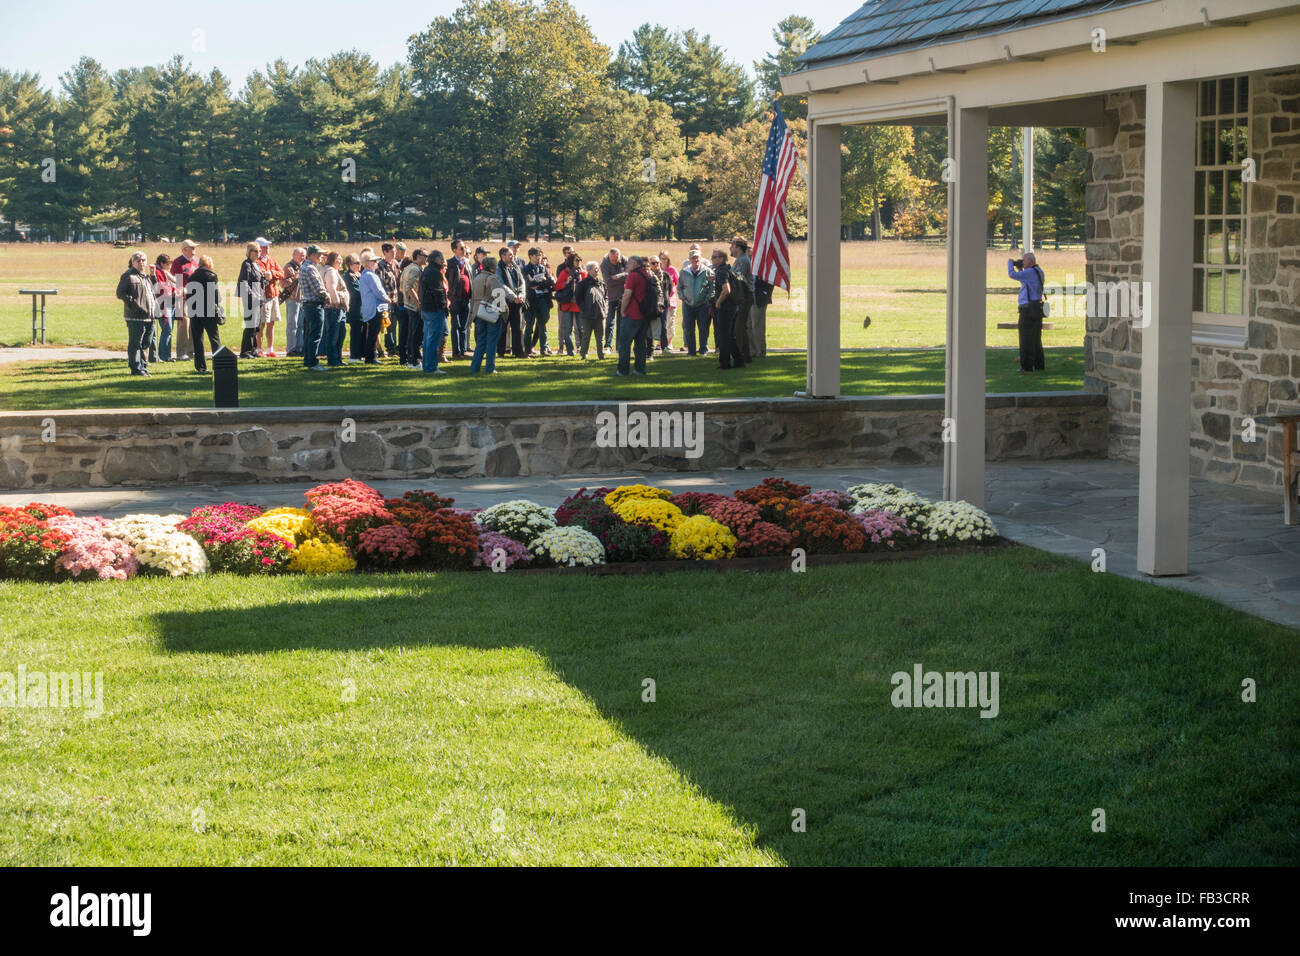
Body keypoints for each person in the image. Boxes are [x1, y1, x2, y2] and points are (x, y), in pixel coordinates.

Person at [115, 251, 157, 377]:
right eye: (138, 260)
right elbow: (120, 293)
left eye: (143, 260)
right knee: (135, 343)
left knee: (146, 343)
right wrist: (132, 302)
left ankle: (143, 366)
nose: (141, 262)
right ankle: (136, 368)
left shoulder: (146, 276)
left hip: (149, 316)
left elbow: (152, 291)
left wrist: (153, 276)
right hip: (135, 316)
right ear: (132, 262)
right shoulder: (128, 276)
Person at [1008, 252, 1046, 374]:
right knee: (1035, 338)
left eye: (1023, 261)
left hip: (1027, 310)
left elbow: (1012, 274)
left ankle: (1026, 367)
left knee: (1025, 339)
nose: (1022, 262)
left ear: (1030, 261)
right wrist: (1020, 268)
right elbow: (1026, 283)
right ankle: (1039, 364)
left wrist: (1010, 263)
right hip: (1037, 309)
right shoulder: (1038, 271)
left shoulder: (1029, 272)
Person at [185, 255, 224, 374]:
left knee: (197, 339)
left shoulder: (192, 277)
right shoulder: (211, 276)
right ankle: (218, 364)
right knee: (214, 338)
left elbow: (188, 296)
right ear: (209, 264)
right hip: (208, 310)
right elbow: (215, 295)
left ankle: (200, 366)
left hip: (195, 311)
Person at [616, 255, 654, 376]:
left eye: (629, 263)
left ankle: (622, 371)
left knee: (624, 345)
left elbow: (627, 295)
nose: (626, 265)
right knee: (641, 345)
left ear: (636, 264)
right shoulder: (647, 274)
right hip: (644, 315)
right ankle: (640, 369)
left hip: (632, 315)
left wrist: (622, 311)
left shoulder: (633, 276)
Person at [469, 255, 505, 374]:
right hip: (491, 312)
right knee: (492, 342)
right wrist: (505, 312)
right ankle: (490, 368)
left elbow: (473, 297)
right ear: (493, 267)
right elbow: (499, 297)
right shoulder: (492, 278)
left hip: (478, 312)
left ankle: (475, 367)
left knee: (481, 341)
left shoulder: (476, 278)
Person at [710, 248, 744, 370]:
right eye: (712, 257)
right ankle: (739, 360)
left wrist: (718, 302)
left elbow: (726, 290)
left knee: (724, 336)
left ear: (722, 259)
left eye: (715, 257)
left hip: (725, 308)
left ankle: (725, 363)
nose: (712, 259)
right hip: (733, 307)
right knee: (729, 336)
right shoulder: (727, 269)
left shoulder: (721, 272)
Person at [678, 245, 713, 356]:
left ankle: (703, 349)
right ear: (690, 260)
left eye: (697, 258)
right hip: (688, 304)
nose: (695, 260)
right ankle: (691, 351)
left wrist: (708, 299)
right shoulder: (684, 272)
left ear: (700, 258)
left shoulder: (707, 271)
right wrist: (683, 298)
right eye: (693, 258)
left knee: (703, 328)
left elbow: (712, 287)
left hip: (702, 304)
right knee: (688, 328)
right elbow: (679, 287)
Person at [297, 245, 328, 371]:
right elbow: (318, 290)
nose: (321, 257)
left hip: (308, 305)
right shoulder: (310, 268)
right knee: (315, 335)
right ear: (313, 255)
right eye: (319, 254)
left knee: (310, 335)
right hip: (314, 305)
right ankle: (313, 362)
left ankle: (308, 360)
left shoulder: (304, 267)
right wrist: (328, 296)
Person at [419, 249, 449, 374]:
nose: (443, 261)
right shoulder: (435, 273)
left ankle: (427, 366)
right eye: (441, 258)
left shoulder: (426, 270)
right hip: (434, 309)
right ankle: (431, 367)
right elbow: (438, 292)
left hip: (426, 308)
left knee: (427, 339)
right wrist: (444, 307)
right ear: (435, 259)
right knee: (433, 340)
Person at [169, 239, 199, 360]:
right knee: (184, 324)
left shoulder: (196, 261)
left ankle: (191, 351)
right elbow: (174, 280)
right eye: (192, 248)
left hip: (196, 296)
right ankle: (181, 352)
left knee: (194, 324)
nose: (194, 250)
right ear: (184, 249)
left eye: (194, 247)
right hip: (183, 297)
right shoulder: (178, 262)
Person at [255, 238, 284, 356]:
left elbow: (281, 273)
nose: (267, 248)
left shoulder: (271, 260)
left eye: (267, 246)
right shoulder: (256, 261)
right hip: (263, 296)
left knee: (271, 324)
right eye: (264, 247)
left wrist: (272, 273)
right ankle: (259, 349)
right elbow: (262, 275)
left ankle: (270, 349)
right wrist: (270, 274)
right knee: (261, 324)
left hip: (273, 294)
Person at [522, 247, 554, 357]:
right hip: (531, 301)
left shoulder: (543, 268)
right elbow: (530, 283)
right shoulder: (525, 269)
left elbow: (550, 282)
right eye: (537, 255)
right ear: (530, 256)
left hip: (543, 300)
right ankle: (527, 349)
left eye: (540, 255)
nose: (539, 257)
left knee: (542, 325)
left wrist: (539, 284)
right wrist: (542, 281)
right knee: (529, 326)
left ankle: (544, 349)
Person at [321, 251, 350, 368]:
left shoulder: (334, 271)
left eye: (341, 259)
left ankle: (338, 358)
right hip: (334, 308)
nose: (340, 261)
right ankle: (332, 360)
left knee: (340, 333)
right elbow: (331, 288)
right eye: (338, 259)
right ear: (332, 260)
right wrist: (337, 302)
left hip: (339, 309)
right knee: (333, 335)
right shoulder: (330, 271)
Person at [496, 245, 526, 358]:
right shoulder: (498, 268)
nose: (512, 256)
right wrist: (514, 297)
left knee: (517, 327)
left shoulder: (515, 267)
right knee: (503, 328)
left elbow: (522, 282)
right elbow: (501, 284)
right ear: (503, 256)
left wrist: (521, 295)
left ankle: (518, 352)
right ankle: (501, 352)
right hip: (504, 302)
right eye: (510, 255)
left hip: (518, 302)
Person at [358, 253, 388, 364]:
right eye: (374, 261)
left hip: (370, 308)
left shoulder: (365, 275)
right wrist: (387, 299)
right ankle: (371, 357)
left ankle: (370, 356)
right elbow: (378, 291)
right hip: (374, 308)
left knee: (372, 333)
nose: (376, 263)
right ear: (367, 263)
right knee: (373, 334)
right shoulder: (370, 276)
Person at [236, 242, 264, 358]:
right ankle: (245, 351)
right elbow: (244, 282)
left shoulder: (256, 264)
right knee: (250, 325)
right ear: (249, 252)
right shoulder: (246, 264)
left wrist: (266, 279)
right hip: (250, 299)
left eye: (259, 251)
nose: (258, 253)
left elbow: (259, 282)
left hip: (258, 298)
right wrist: (251, 295)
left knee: (256, 326)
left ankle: (253, 350)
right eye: (255, 251)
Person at [728, 237, 754, 365]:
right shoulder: (739, 260)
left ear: (738, 247)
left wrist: (727, 273)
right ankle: (745, 355)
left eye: (732, 246)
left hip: (744, 296)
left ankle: (743, 356)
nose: (730, 248)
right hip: (741, 296)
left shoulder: (743, 261)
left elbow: (739, 277)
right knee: (739, 327)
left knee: (739, 328)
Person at [400, 248, 426, 368]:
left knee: (412, 333)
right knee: (415, 334)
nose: (426, 258)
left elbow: (402, 286)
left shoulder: (409, 268)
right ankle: (414, 360)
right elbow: (408, 288)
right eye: (424, 255)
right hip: (413, 306)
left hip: (409, 304)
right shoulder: (415, 269)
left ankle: (413, 359)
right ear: (418, 256)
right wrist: (419, 303)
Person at [150, 254, 178, 363]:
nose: (169, 266)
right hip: (163, 305)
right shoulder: (157, 272)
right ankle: (163, 355)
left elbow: (173, 282)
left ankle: (167, 355)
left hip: (170, 303)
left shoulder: (164, 272)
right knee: (167, 330)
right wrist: (175, 291)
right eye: (167, 264)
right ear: (161, 263)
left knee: (168, 331)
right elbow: (161, 289)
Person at [554, 252, 582, 356]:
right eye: (577, 260)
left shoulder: (583, 273)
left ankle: (582, 349)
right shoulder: (565, 272)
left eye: (580, 260)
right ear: (571, 261)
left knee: (581, 328)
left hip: (579, 305)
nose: (579, 262)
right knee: (567, 329)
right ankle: (570, 351)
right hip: (567, 305)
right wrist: (566, 282)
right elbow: (556, 287)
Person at [576, 261, 606, 360]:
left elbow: (606, 297)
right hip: (587, 315)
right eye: (595, 268)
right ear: (588, 270)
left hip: (600, 314)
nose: (597, 270)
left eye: (598, 268)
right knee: (586, 336)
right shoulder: (582, 284)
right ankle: (583, 354)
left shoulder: (602, 283)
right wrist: (584, 310)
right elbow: (578, 299)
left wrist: (605, 308)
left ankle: (601, 356)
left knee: (600, 337)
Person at [447, 239, 472, 359]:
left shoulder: (467, 262)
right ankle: (456, 352)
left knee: (464, 326)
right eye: (461, 248)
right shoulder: (449, 263)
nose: (464, 250)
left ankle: (463, 350)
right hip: (455, 299)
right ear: (454, 250)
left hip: (466, 298)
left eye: (464, 247)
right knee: (455, 326)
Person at [600, 247, 628, 352]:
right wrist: (622, 278)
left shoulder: (624, 260)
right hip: (610, 297)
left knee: (621, 323)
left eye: (616, 259)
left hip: (623, 296)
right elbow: (608, 281)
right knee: (609, 322)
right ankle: (607, 346)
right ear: (609, 256)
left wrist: (616, 276)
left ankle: (619, 347)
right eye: (612, 259)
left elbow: (629, 274)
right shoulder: (604, 264)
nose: (614, 261)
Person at [376, 243, 401, 359]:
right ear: (385, 252)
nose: (394, 253)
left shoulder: (395, 264)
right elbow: (380, 284)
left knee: (394, 323)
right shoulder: (380, 266)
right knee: (388, 324)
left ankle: (395, 347)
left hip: (396, 299)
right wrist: (385, 298)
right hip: (387, 300)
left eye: (395, 251)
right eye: (392, 251)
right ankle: (390, 348)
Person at [282, 247, 306, 356]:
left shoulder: (303, 266)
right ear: (294, 255)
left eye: (304, 255)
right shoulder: (288, 267)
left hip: (302, 299)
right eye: (301, 255)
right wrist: (294, 278)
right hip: (292, 299)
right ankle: (291, 349)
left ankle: (299, 348)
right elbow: (282, 283)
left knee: (300, 325)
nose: (303, 257)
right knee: (292, 325)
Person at [646, 255, 670, 361]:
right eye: (653, 263)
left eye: (658, 263)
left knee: (663, 326)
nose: (656, 265)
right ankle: (649, 352)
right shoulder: (647, 276)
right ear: (649, 264)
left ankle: (664, 348)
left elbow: (670, 288)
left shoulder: (665, 275)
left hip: (663, 304)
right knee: (650, 328)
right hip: (651, 305)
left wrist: (664, 300)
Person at [344, 254, 365, 362]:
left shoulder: (359, 274)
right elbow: (355, 292)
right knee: (356, 333)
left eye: (359, 262)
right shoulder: (348, 276)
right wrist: (367, 293)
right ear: (350, 264)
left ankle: (360, 354)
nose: (359, 264)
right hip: (354, 309)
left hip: (362, 309)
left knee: (361, 332)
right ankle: (354, 356)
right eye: (357, 263)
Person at [658, 250, 679, 353]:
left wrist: (673, 290)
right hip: (660, 300)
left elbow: (678, 283)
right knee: (660, 322)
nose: (664, 261)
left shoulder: (672, 270)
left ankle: (669, 342)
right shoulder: (657, 270)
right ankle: (660, 343)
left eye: (665, 258)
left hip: (670, 299)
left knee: (670, 322)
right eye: (662, 258)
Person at [750, 275, 772, 359]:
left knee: (757, 324)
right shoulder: (751, 262)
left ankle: (760, 351)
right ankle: (752, 351)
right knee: (749, 324)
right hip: (749, 294)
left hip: (759, 296)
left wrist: (765, 293)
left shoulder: (764, 265)